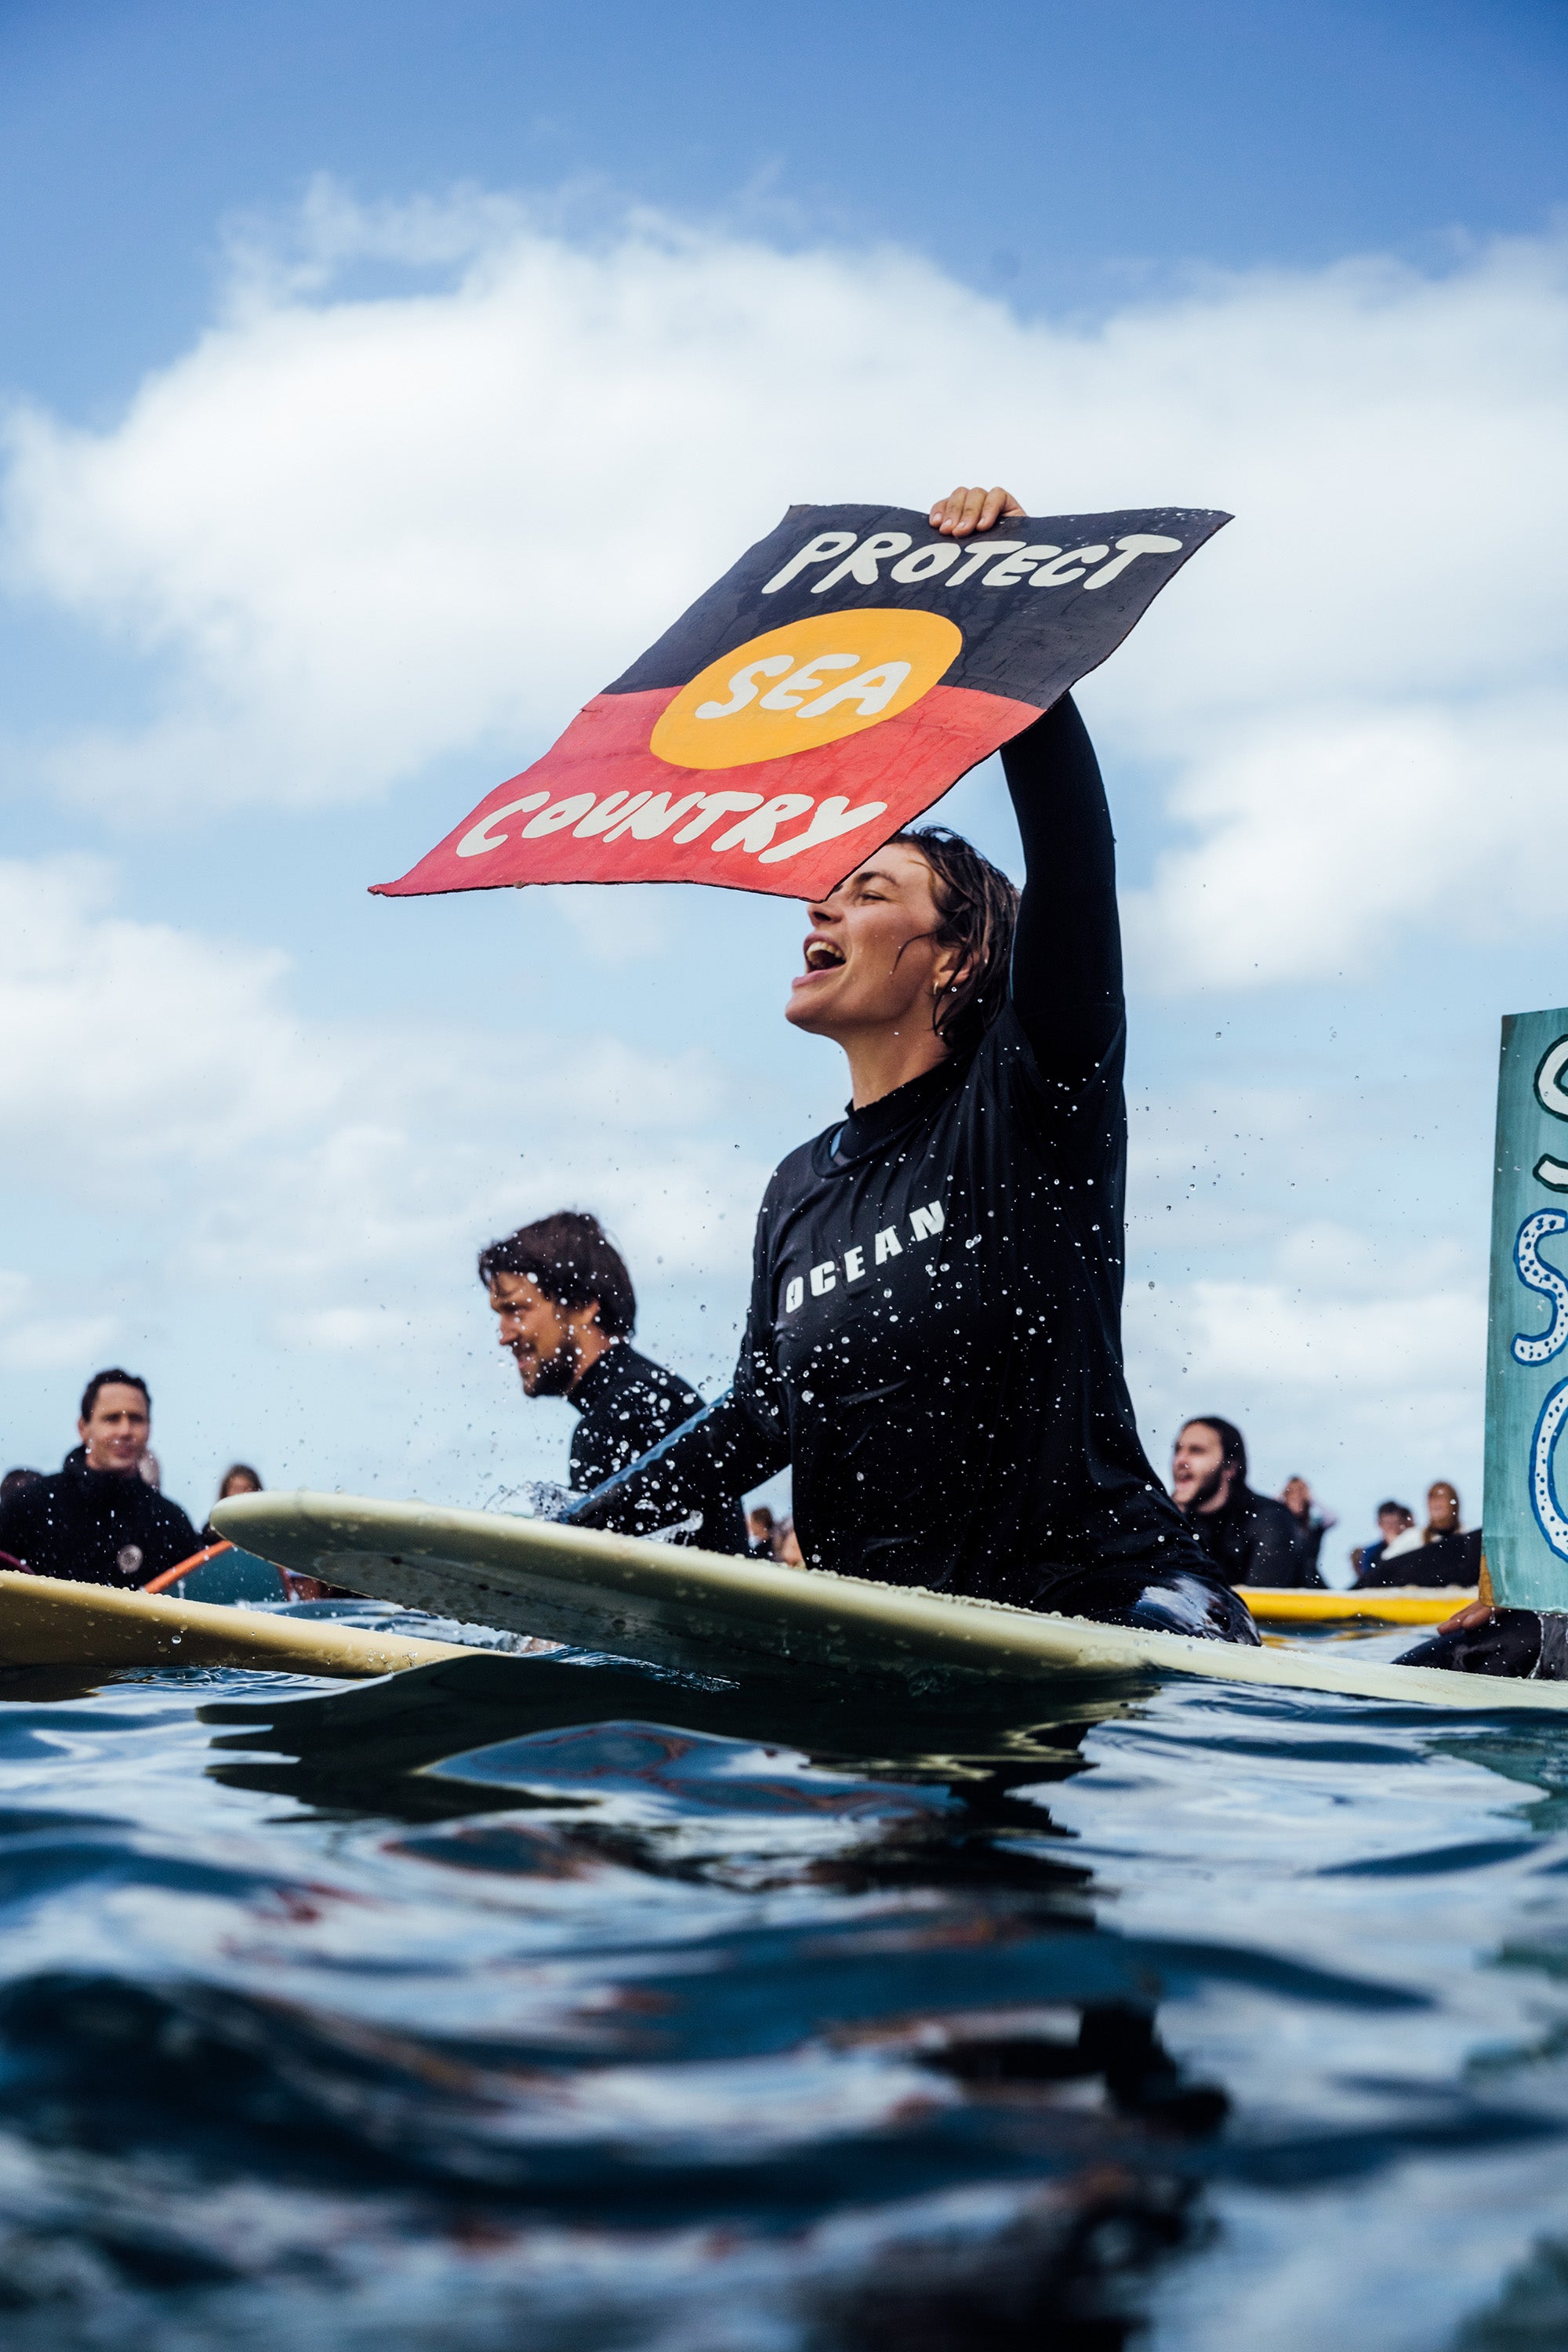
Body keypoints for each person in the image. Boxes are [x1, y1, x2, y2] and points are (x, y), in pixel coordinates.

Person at [561, 484, 1258, 1648]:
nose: (818, 908)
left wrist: (1010, 627)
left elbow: (1073, 858)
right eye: (827, 890)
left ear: (958, 958)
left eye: (869, 892)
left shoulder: (1032, 1100)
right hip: (900, 1644)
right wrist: (561, 1536)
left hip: (1103, 1609)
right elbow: (756, 1420)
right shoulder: (799, 1187)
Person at [481, 1210, 747, 1552]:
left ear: (582, 1305)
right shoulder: (651, 1394)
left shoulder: (621, 1414)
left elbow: (595, 1577)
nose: (503, 1336)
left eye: (516, 1311)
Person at [0, 1370, 200, 1588]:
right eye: (112, 1419)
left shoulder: (170, 1523)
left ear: (149, 1429)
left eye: (136, 1419)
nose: (125, 1431)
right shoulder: (29, 1508)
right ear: (83, 1428)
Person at [1170, 1417, 1323, 1588]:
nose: (1180, 1460)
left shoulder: (1270, 1520)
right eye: (1177, 1450)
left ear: (1230, 1467)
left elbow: (1261, 1602)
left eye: (1197, 1451)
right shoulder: (1175, 1522)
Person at [1358, 1480, 1480, 1590]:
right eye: (1433, 1499)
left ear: (1454, 1504)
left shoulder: (1469, 1542)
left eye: (1442, 1499)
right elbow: (1384, 1569)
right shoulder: (1413, 1538)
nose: (1437, 1505)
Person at [1279, 1475, 1336, 1581]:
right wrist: (1281, 1497)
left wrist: (1312, 1499)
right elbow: (1265, 1518)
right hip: (1284, 1574)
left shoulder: (1313, 1524)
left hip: (1309, 1576)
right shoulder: (1280, 1522)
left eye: (1300, 1492)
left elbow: (1332, 1519)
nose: (1296, 1496)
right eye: (1291, 1492)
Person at [1352, 1499, 1415, 1584]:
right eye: (1387, 1523)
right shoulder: (1371, 1552)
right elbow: (1369, 1579)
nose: (1391, 1528)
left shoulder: (1412, 1545)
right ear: (1380, 1524)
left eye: (1395, 1523)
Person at [204, 1461, 263, 1544]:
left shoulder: (264, 1528)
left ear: (256, 1491)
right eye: (236, 1489)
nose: (241, 1495)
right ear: (225, 1493)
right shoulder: (211, 1532)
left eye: (247, 1489)